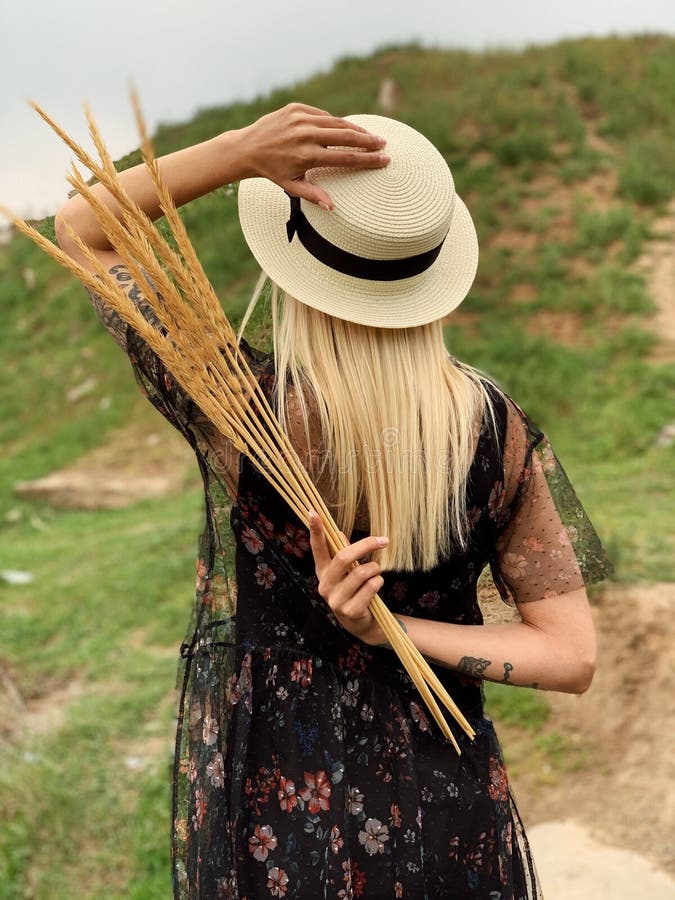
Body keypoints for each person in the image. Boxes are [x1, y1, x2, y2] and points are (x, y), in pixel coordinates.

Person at [54, 102, 612, 899]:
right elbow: (571, 656)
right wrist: (393, 633)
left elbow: (83, 227)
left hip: (280, 812)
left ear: (295, 264)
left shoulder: (241, 411)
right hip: (443, 812)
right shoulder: (495, 432)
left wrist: (239, 151)